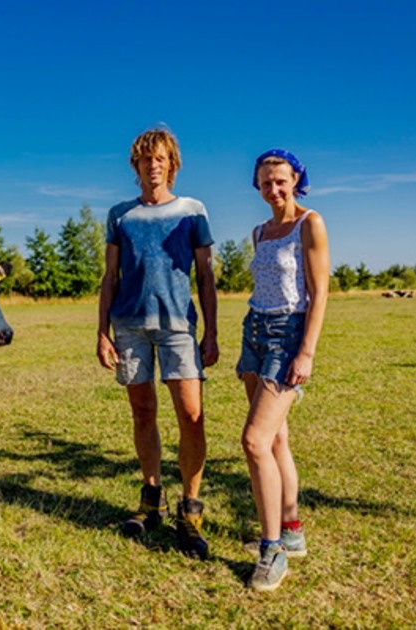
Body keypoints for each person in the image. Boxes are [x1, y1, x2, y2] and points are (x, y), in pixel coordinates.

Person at [97, 128, 219, 559]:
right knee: (142, 411)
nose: (153, 166)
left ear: (172, 164)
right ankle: (151, 502)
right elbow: (110, 277)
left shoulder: (192, 211)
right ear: (136, 166)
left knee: (191, 414)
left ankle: (191, 511)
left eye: (161, 158)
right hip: (129, 327)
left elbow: (206, 277)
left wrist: (212, 332)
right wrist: (101, 332)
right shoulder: (120, 215)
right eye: (145, 160)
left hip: (178, 328)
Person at [236, 149, 330, 591]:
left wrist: (306, 352)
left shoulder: (310, 223)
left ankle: (271, 547)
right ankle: (291, 530)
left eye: (281, 180)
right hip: (254, 331)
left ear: (296, 180)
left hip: (288, 336)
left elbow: (319, 290)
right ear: (257, 185)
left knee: (253, 441)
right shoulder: (259, 232)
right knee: (275, 438)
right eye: (266, 182)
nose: (274, 189)